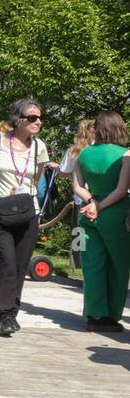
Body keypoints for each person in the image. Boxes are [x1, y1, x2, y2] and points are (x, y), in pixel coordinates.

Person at [0, 98, 51, 337]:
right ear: (17, 119)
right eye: (32, 118)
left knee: (19, 265)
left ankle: (11, 313)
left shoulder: (39, 147)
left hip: (27, 214)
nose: (38, 122)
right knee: (6, 262)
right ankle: (5, 315)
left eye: (40, 118)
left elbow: (36, 179)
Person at [73, 111, 130, 331]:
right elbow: (122, 190)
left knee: (92, 265)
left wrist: (92, 202)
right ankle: (111, 317)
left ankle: (94, 315)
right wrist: (101, 205)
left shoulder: (83, 154)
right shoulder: (124, 154)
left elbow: (78, 186)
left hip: (87, 214)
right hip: (117, 215)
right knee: (118, 265)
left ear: (98, 128)